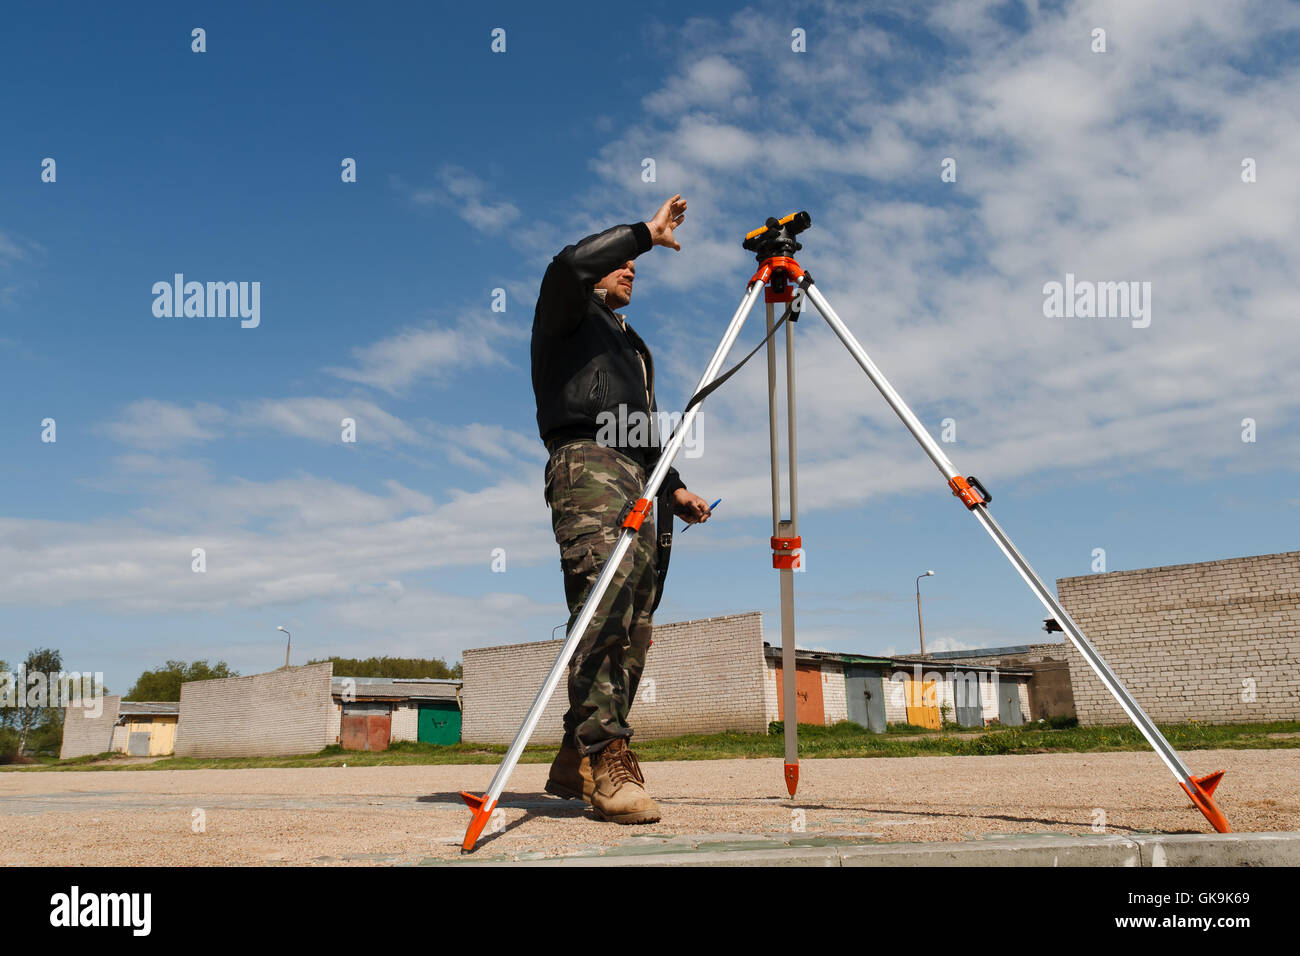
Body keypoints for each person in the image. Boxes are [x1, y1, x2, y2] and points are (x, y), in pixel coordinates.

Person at [530, 194, 713, 824]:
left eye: (633, 263)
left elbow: (637, 425)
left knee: (635, 615)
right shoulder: (566, 312)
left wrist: (673, 486)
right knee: (602, 600)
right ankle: (607, 755)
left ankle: (572, 756)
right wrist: (644, 233)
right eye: (621, 263)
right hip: (588, 465)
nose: (631, 269)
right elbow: (567, 265)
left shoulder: (627, 343)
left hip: (636, 474)